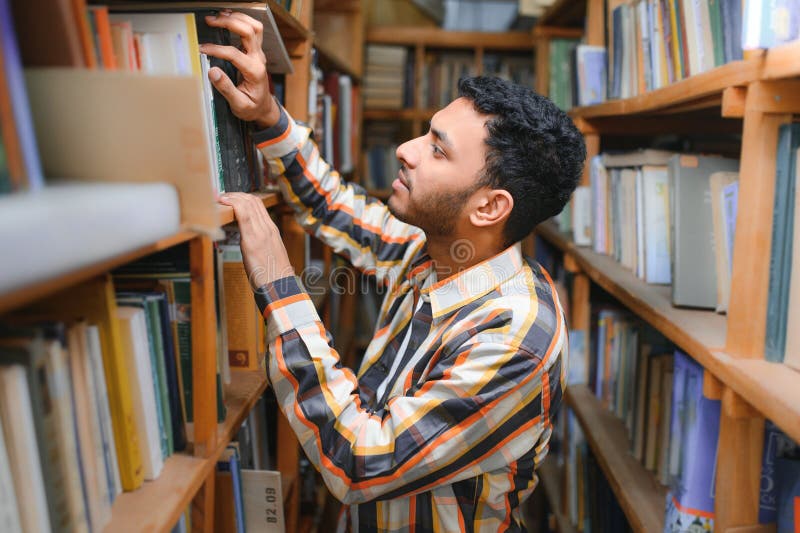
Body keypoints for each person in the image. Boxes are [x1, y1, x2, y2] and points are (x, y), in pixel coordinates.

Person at [203, 10, 585, 532]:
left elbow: (358, 462)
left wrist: (276, 279)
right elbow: (334, 206)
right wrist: (268, 115)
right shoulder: (442, 252)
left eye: (437, 150)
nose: (405, 150)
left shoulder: (516, 339)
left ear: (490, 207)